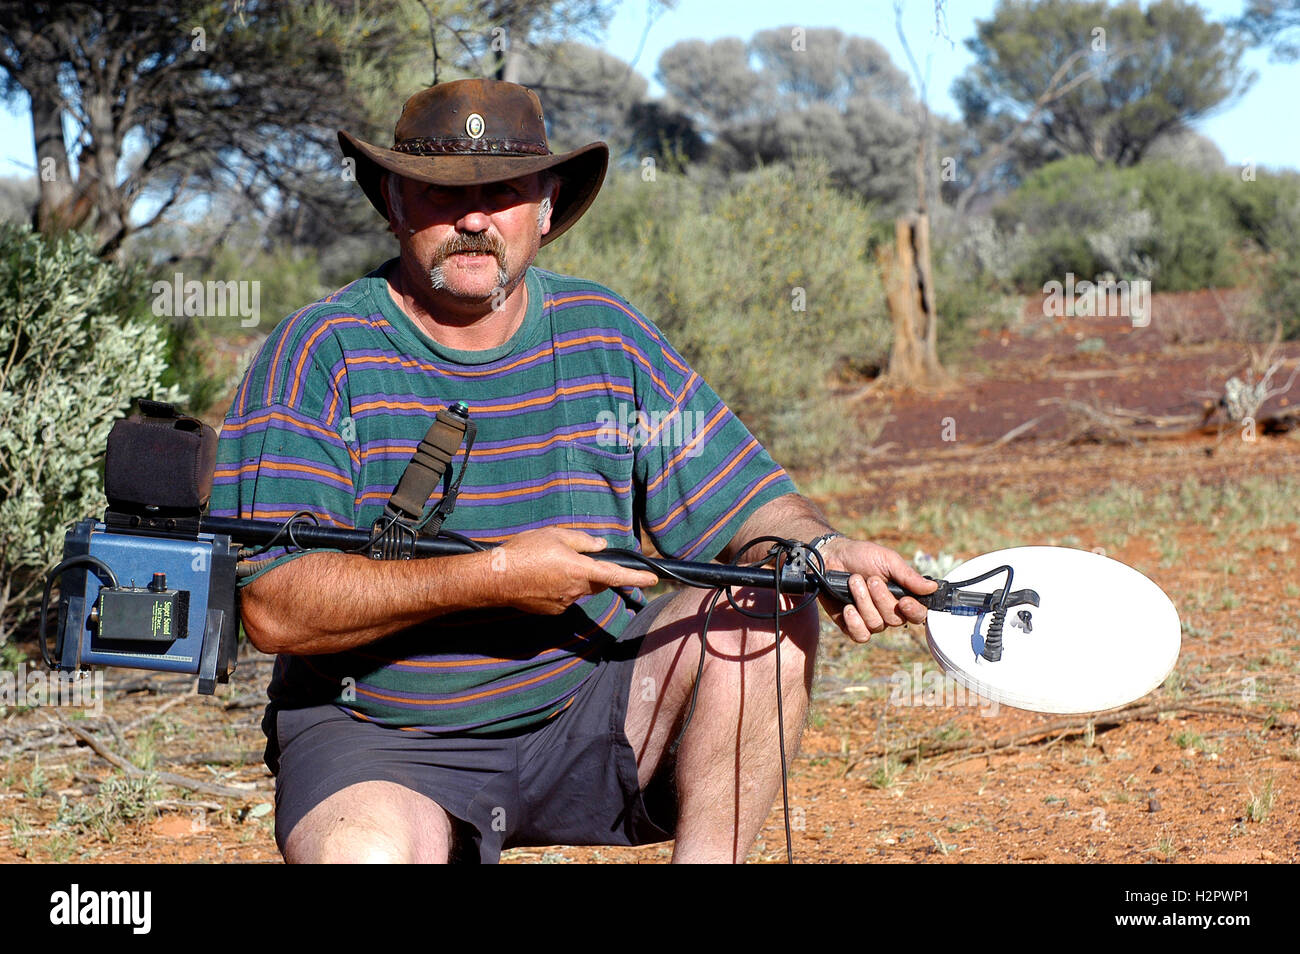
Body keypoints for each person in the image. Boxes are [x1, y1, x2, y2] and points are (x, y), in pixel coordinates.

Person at [211, 79, 936, 864]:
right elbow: (276, 610)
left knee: (770, 598)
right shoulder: (319, 349)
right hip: (380, 737)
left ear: (547, 210)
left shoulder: (605, 335)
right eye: (441, 194)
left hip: (589, 711)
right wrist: (491, 578)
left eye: (505, 192)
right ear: (392, 202)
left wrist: (822, 550)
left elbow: (750, 507)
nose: (475, 219)